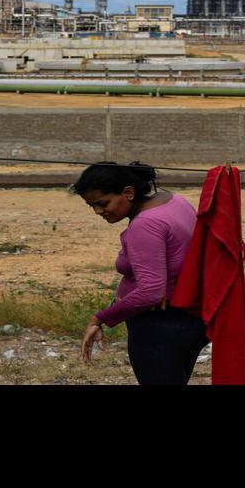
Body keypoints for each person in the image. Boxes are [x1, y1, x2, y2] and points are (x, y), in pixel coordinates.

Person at [74, 162, 208, 385]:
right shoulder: (172, 200)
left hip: (159, 326)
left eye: (103, 203)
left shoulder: (145, 225)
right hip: (189, 318)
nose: (98, 212)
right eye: (92, 206)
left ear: (128, 192)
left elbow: (150, 292)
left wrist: (101, 318)